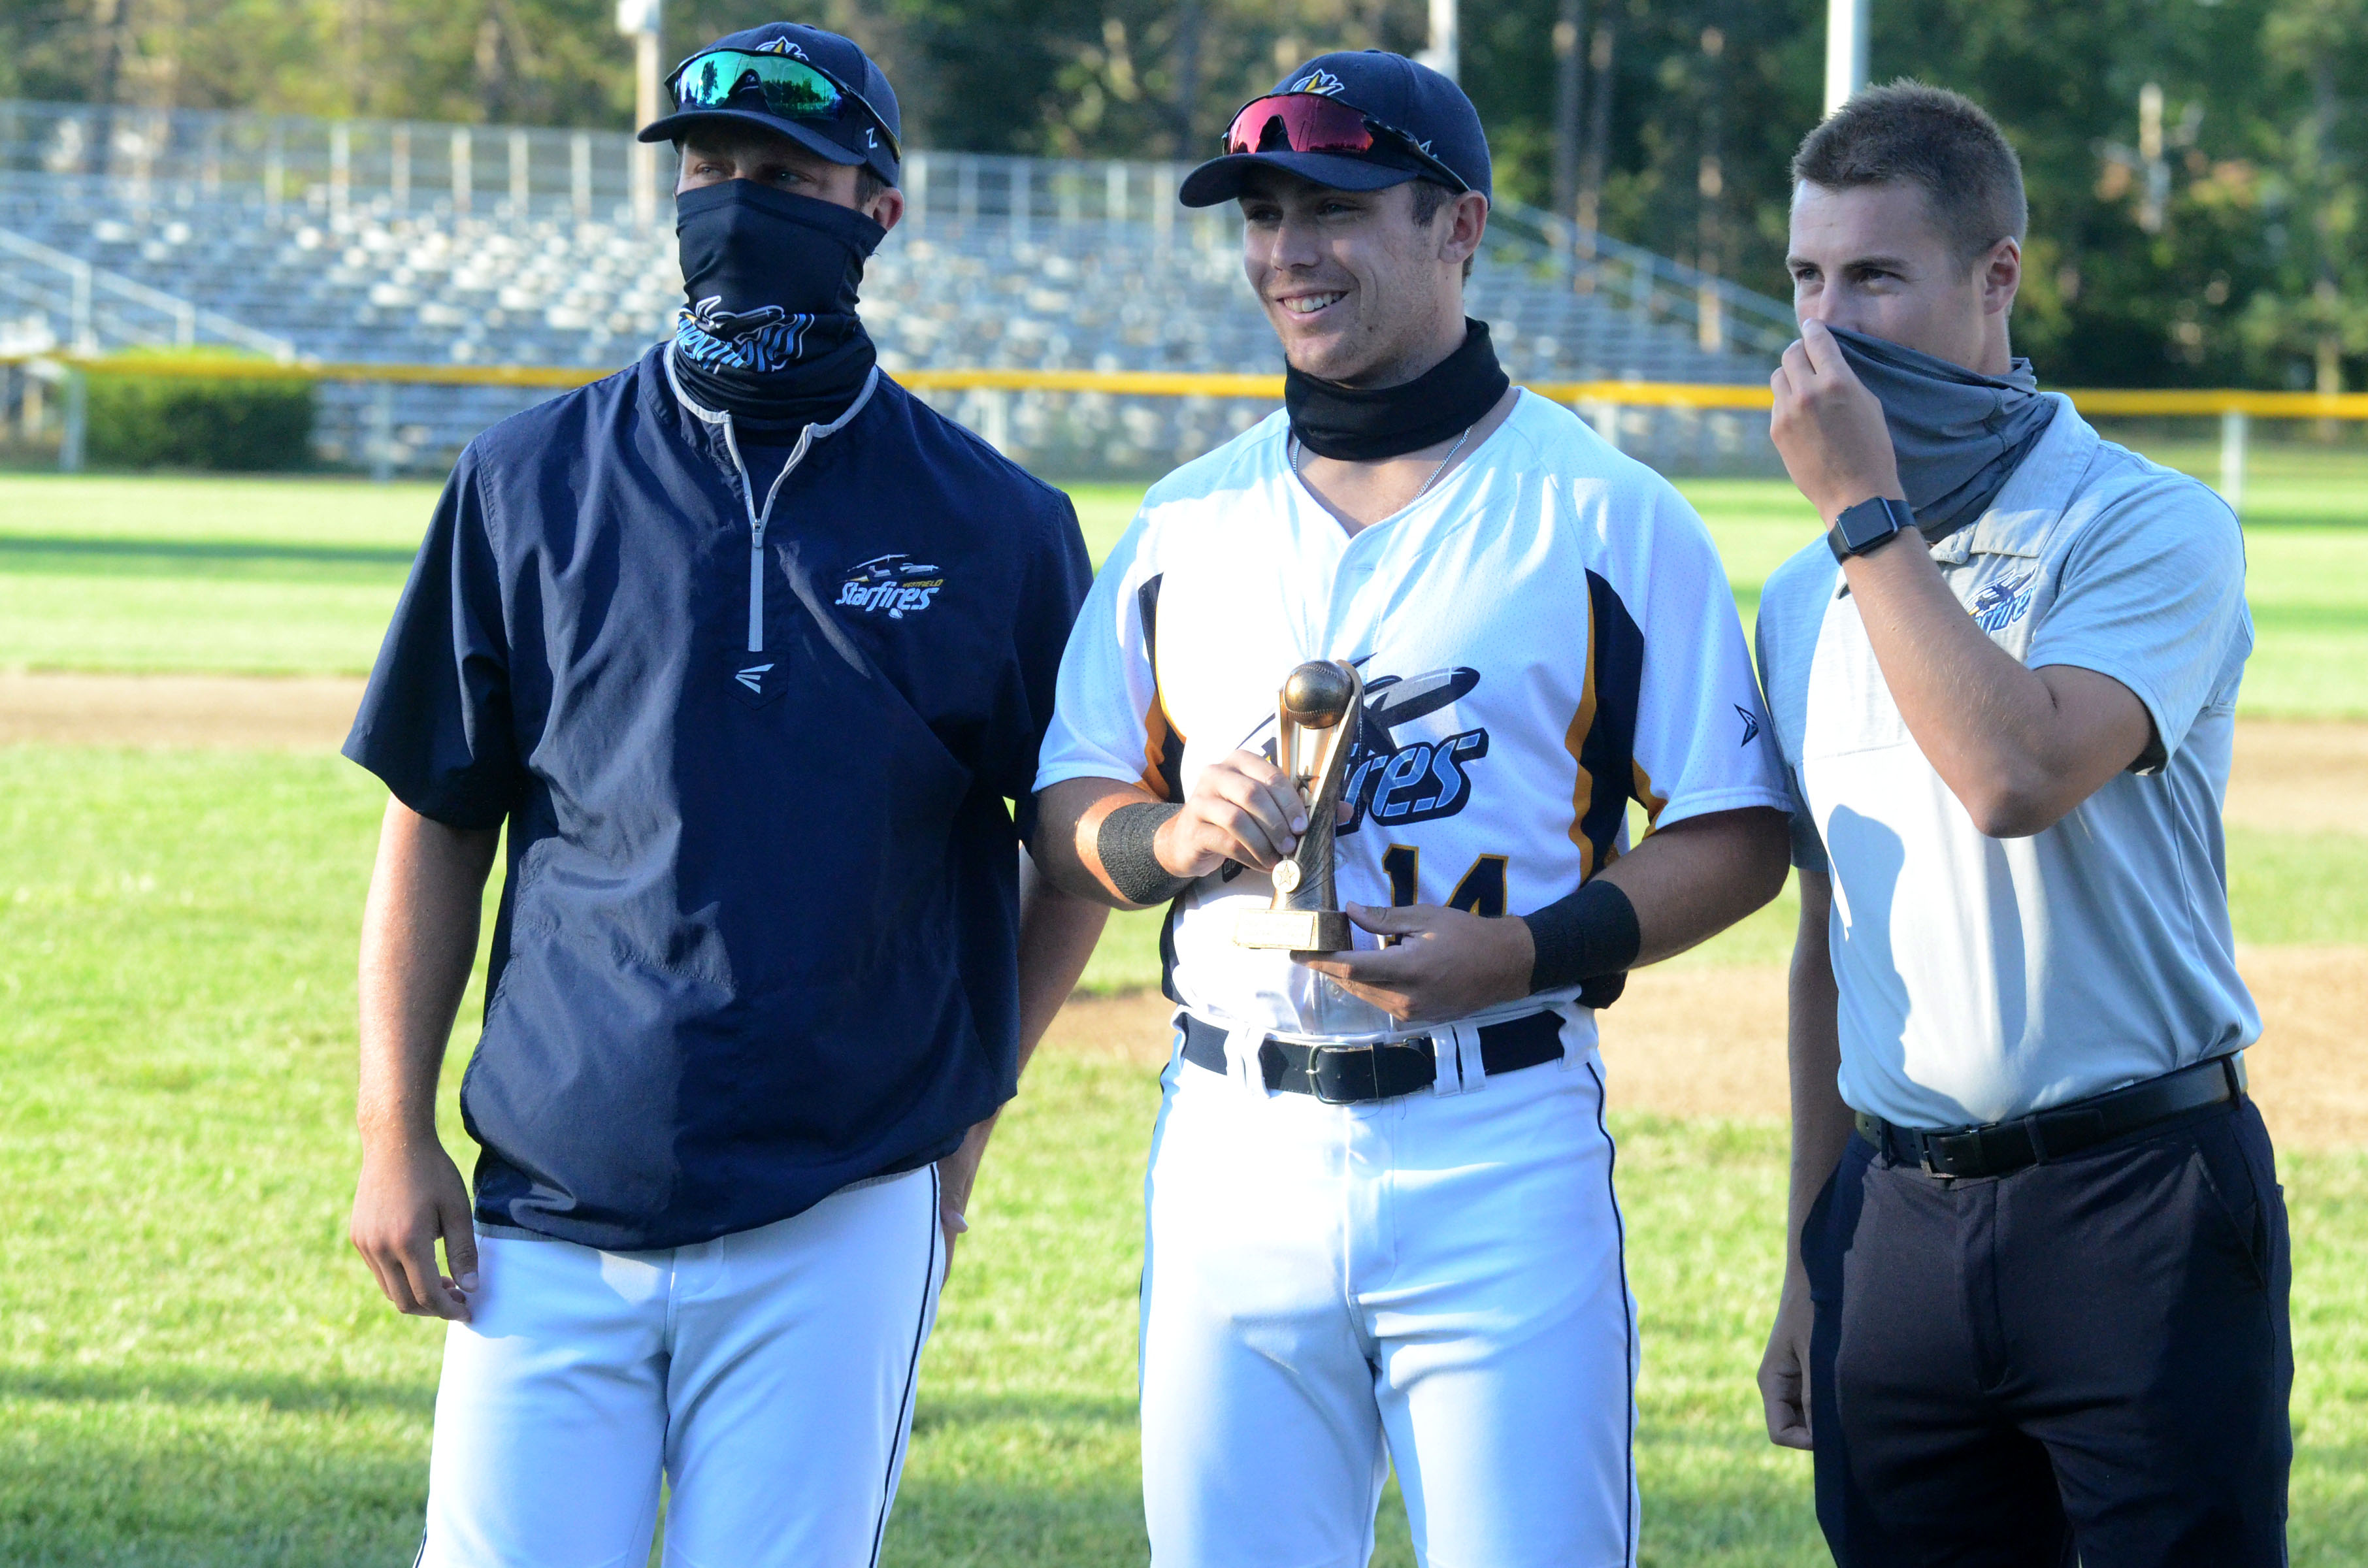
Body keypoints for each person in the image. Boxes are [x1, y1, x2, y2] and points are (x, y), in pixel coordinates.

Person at [341, 22, 1106, 1566]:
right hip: (549, 1199)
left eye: (788, 176)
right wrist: (390, 1131)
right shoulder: (525, 478)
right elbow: (437, 821)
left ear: (879, 207)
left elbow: (1067, 852)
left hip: (843, 1205)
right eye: (711, 168)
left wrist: (969, 1116)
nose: (739, 202)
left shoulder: (1001, 524)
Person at [1031, 50, 1794, 1567]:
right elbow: (1067, 801)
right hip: (1232, 1141)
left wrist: (1528, 953)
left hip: (1496, 1134)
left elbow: (1737, 830)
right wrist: (1165, 838)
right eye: (1263, 214)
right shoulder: (1187, 518)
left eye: (1335, 208)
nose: (1287, 251)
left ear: (1459, 225)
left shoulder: (1602, 511)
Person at [1752, 82, 2287, 1565]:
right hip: (1895, 1218)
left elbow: (2015, 775)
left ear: (1997, 276)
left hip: (2138, 1203)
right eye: (1805, 276)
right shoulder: (1801, 593)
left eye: (1875, 276)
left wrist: (1867, 513)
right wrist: (1811, 1255)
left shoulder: (2145, 520)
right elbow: (1829, 943)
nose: (1827, 322)